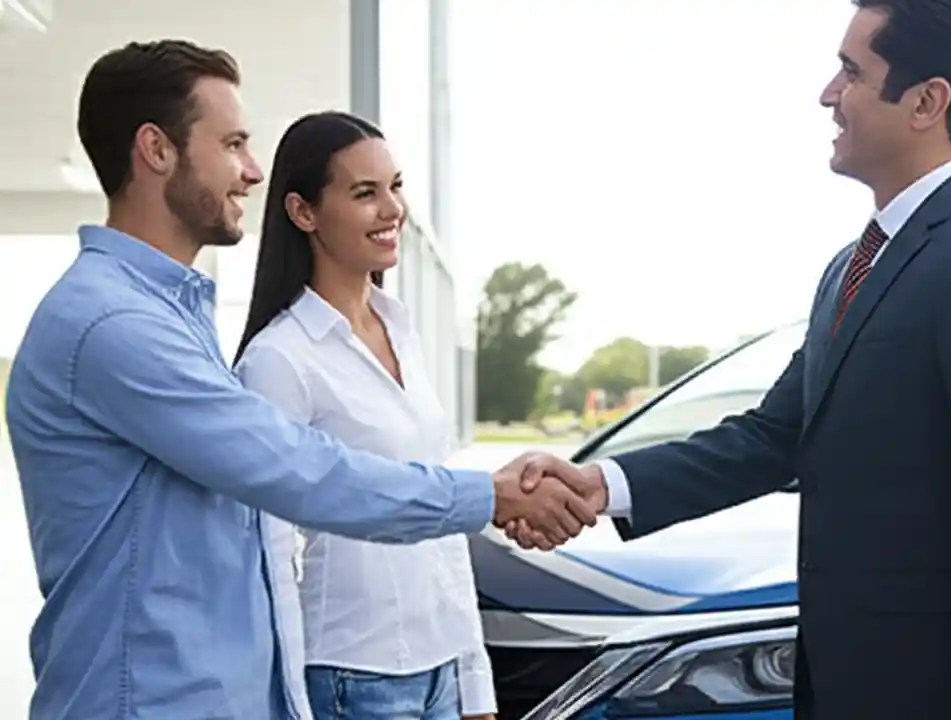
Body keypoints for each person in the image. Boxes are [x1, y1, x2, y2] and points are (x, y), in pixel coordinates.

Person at [510, 1, 951, 718]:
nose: (828, 94)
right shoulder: (851, 267)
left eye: (852, 72)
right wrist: (600, 485)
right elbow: (772, 436)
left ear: (926, 101)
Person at [4, 40, 592, 719]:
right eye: (232, 144)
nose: (252, 172)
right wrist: (490, 496)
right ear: (156, 150)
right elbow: (302, 472)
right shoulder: (112, 323)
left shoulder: (166, 315)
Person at [233, 111, 496, 720]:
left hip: (441, 672)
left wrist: (473, 679)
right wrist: (293, 706)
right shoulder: (278, 360)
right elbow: (269, 555)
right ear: (303, 213)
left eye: (395, 187)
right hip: (352, 679)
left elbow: (442, 512)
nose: (391, 209)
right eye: (364, 193)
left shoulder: (403, 331)